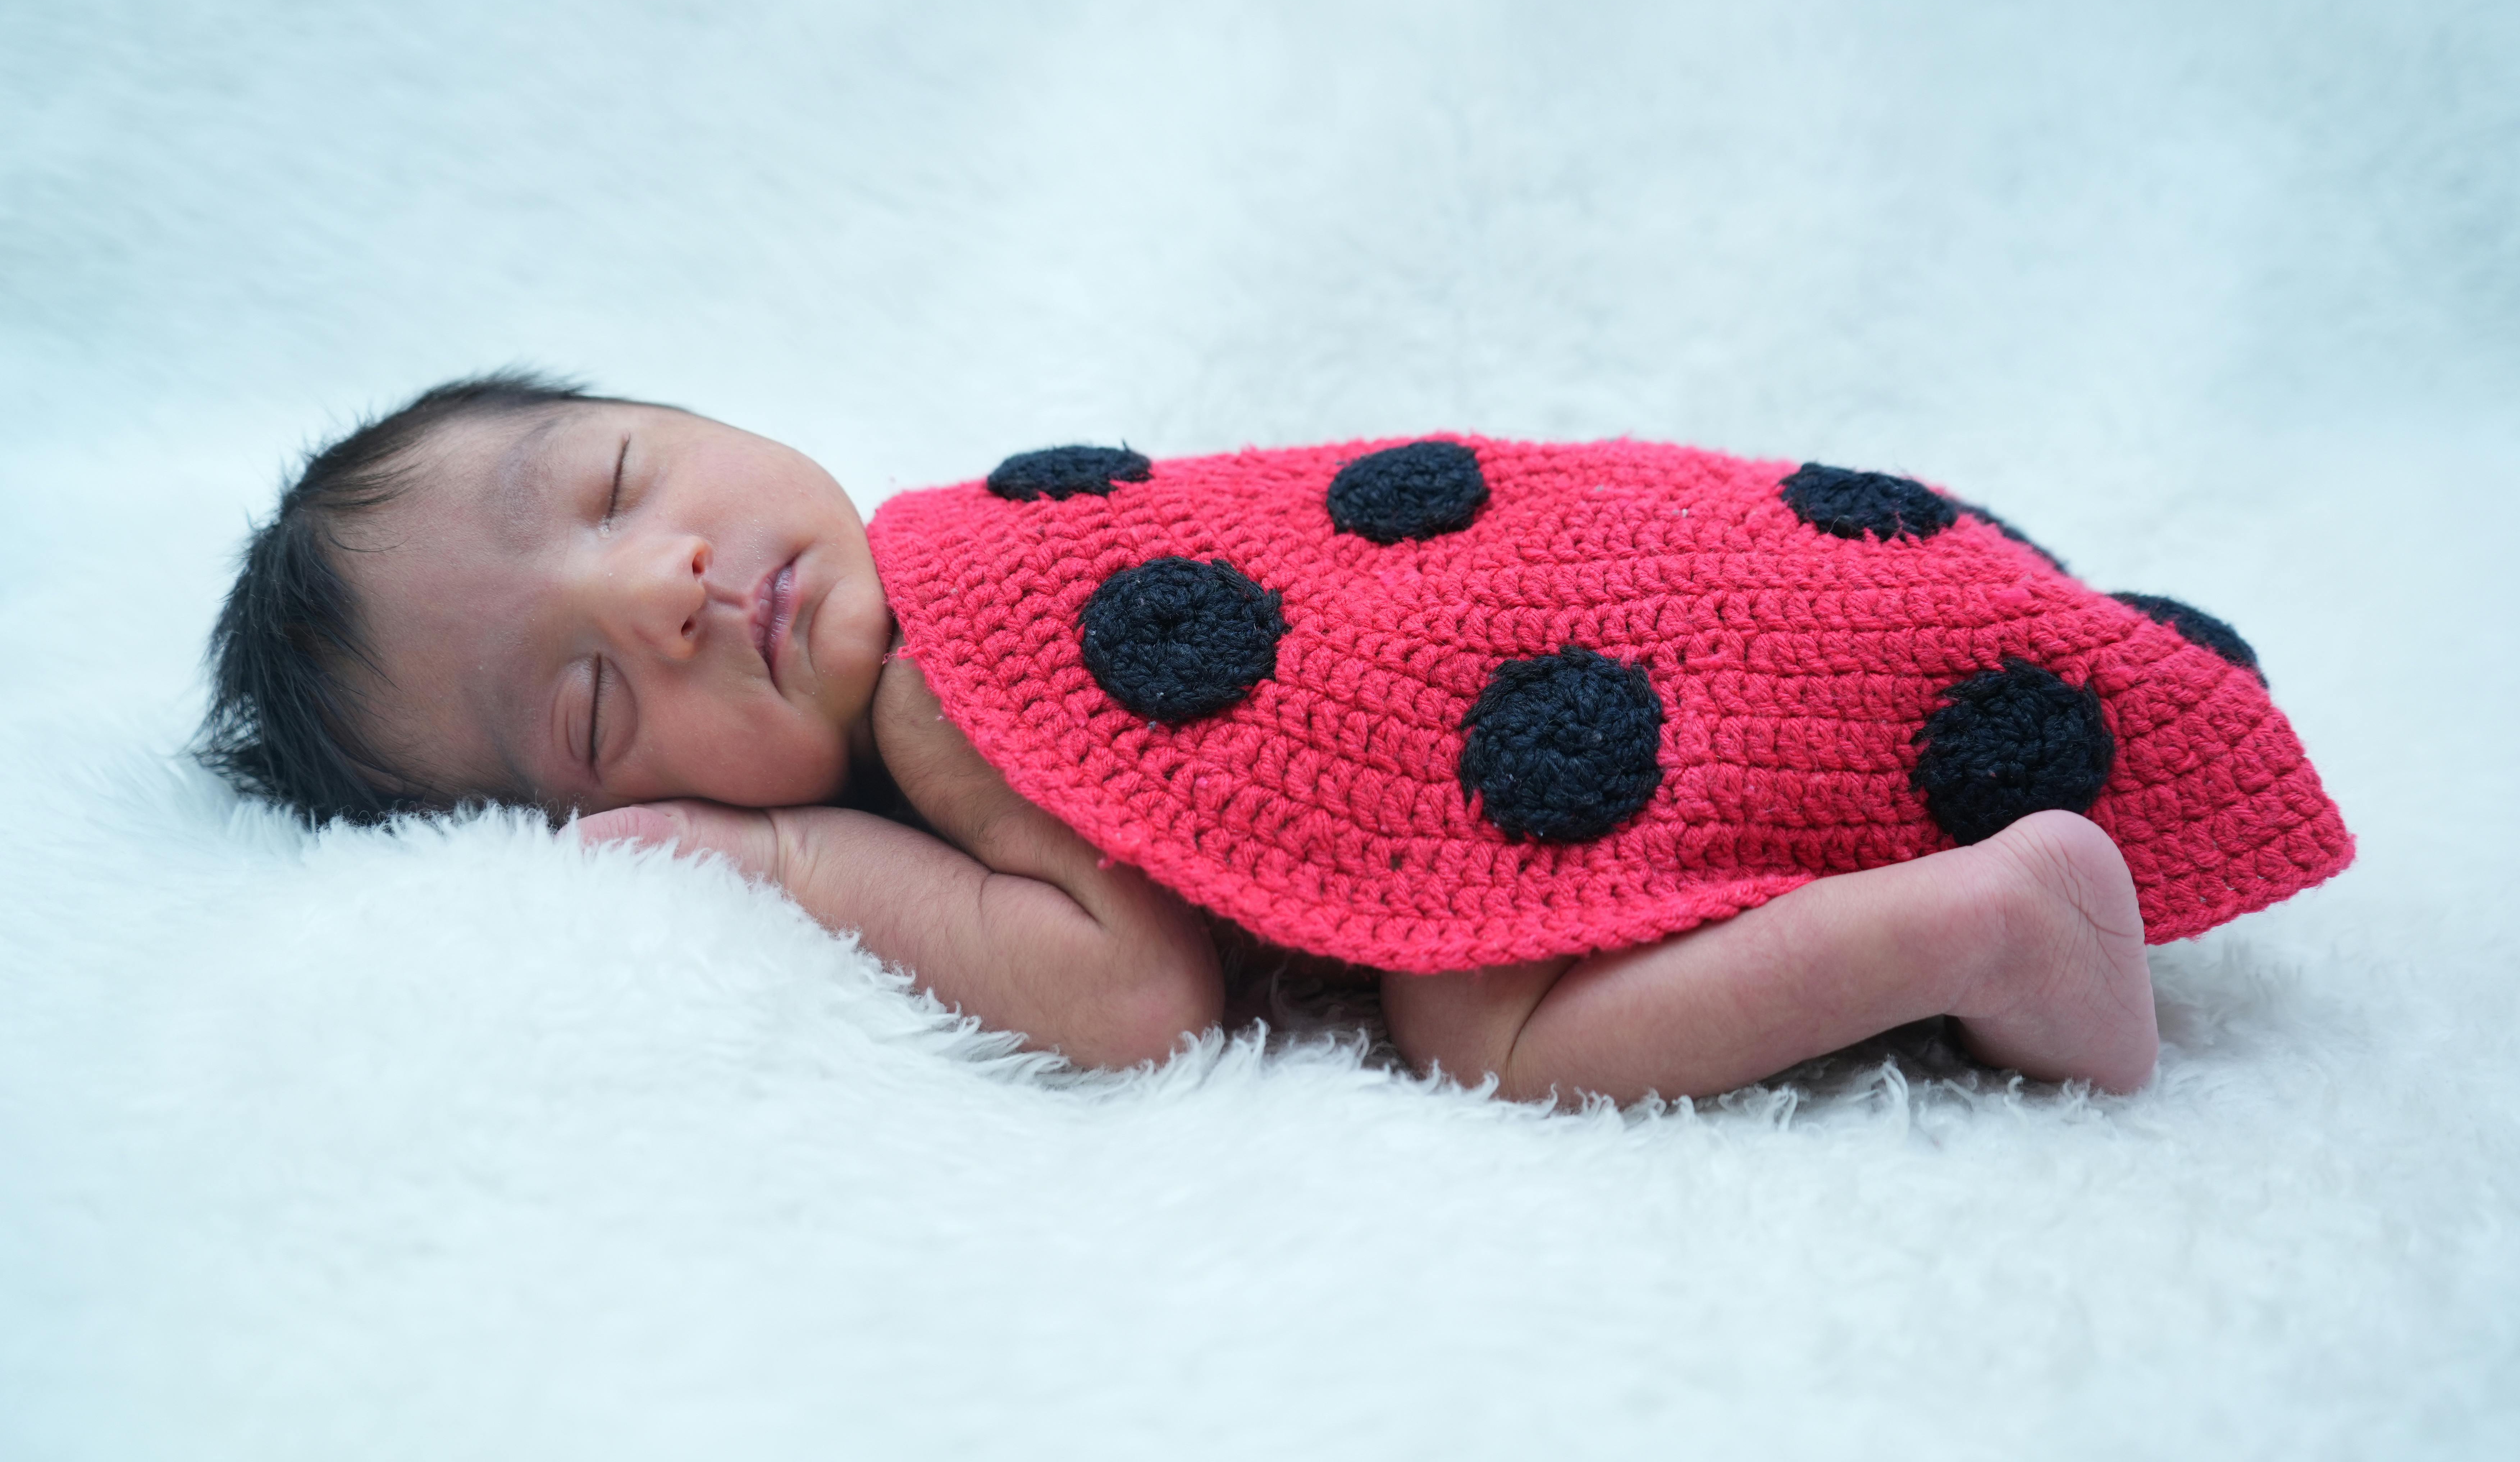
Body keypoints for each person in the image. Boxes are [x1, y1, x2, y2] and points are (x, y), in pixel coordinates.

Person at [201, 373, 2160, 1099]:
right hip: (1666, 612)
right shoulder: (966, 569)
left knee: (1486, 1027)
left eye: (619, 478)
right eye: (595, 701)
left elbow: (1131, 994)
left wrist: (795, 862)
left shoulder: (943, 656)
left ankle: (1983, 930)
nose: (665, 586)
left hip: (1596, 666)